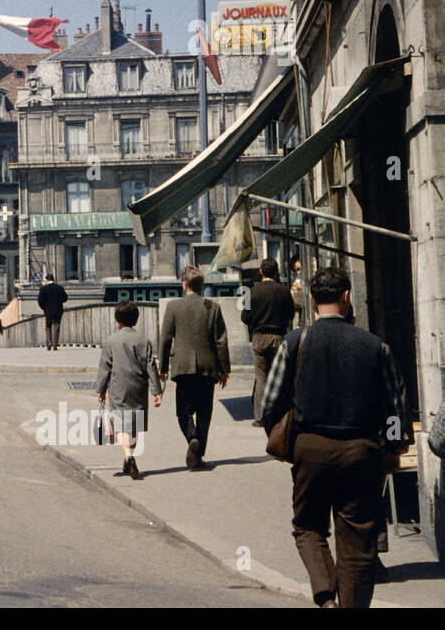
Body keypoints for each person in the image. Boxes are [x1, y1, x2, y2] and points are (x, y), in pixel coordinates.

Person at [261, 266, 414, 609]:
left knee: (308, 527)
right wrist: (392, 448)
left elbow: (270, 402)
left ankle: (325, 595)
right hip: (361, 452)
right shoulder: (376, 346)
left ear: (312, 299)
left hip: (309, 448)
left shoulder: (295, 342)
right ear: (347, 298)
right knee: (358, 543)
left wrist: (281, 434)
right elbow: (394, 408)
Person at [158, 264, 231, 470]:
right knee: (205, 412)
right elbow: (221, 341)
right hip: (208, 367)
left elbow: (165, 339)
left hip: (182, 366)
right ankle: (198, 454)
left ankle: (192, 437)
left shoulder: (173, 307)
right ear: (201, 285)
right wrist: (225, 369)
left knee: (184, 411)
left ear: (184, 285)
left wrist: (162, 366)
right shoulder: (213, 307)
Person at [96, 300, 163, 480]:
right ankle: (130, 458)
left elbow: (105, 368)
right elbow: (151, 366)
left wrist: (101, 390)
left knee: (121, 426)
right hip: (139, 387)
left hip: (119, 387)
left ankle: (129, 457)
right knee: (135, 425)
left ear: (117, 320)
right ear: (136, 319)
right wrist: (157, 391)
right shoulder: (144, 340)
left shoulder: (111, 341)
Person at [242, 257, 294, 426]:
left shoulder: (252, 292)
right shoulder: (284, 291)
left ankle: (260, 416)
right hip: (278, 337)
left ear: (261, 272)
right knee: (281, 375)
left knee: (261, 376)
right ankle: (280, 413)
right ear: (277, 271)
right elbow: (291, 314)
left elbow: (244, 317)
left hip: (259, 337)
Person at [37, 273, 68, 351]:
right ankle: (55, 344)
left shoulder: (43, 289)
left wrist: (44, 308)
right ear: (53, 279)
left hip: (47, 311)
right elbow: (65, 298)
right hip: (58, 310)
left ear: (47, 280)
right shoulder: (59, 288)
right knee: (56, 326)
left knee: (48, 327)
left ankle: (49, 342)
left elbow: (40, 301)